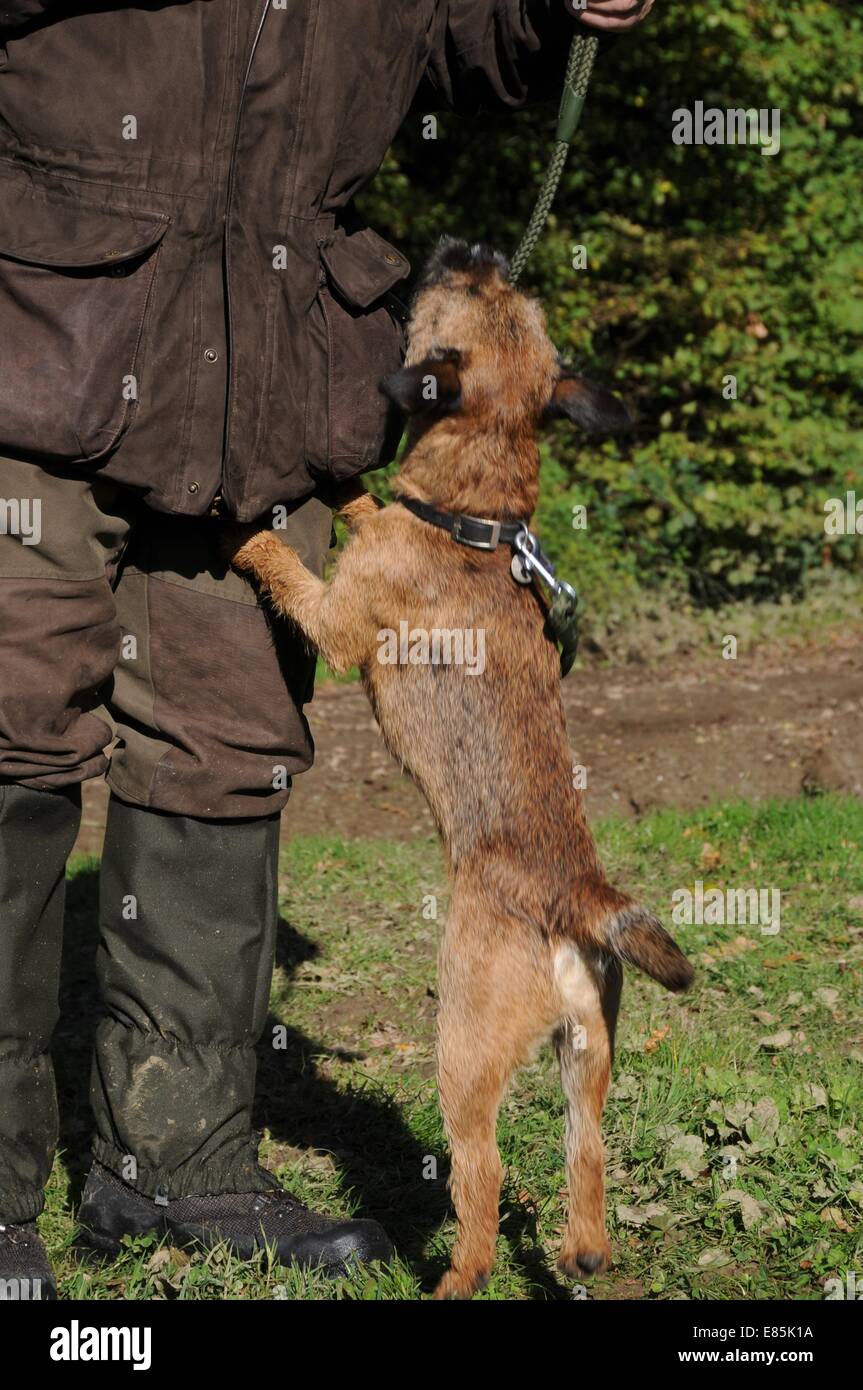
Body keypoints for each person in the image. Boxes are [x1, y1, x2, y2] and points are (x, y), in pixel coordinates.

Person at [0, 0, 655, 1299]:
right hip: (37, 348)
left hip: (273, 388)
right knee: (9, 735)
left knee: (224, 754)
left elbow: (466, 34)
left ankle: (176, 1159)